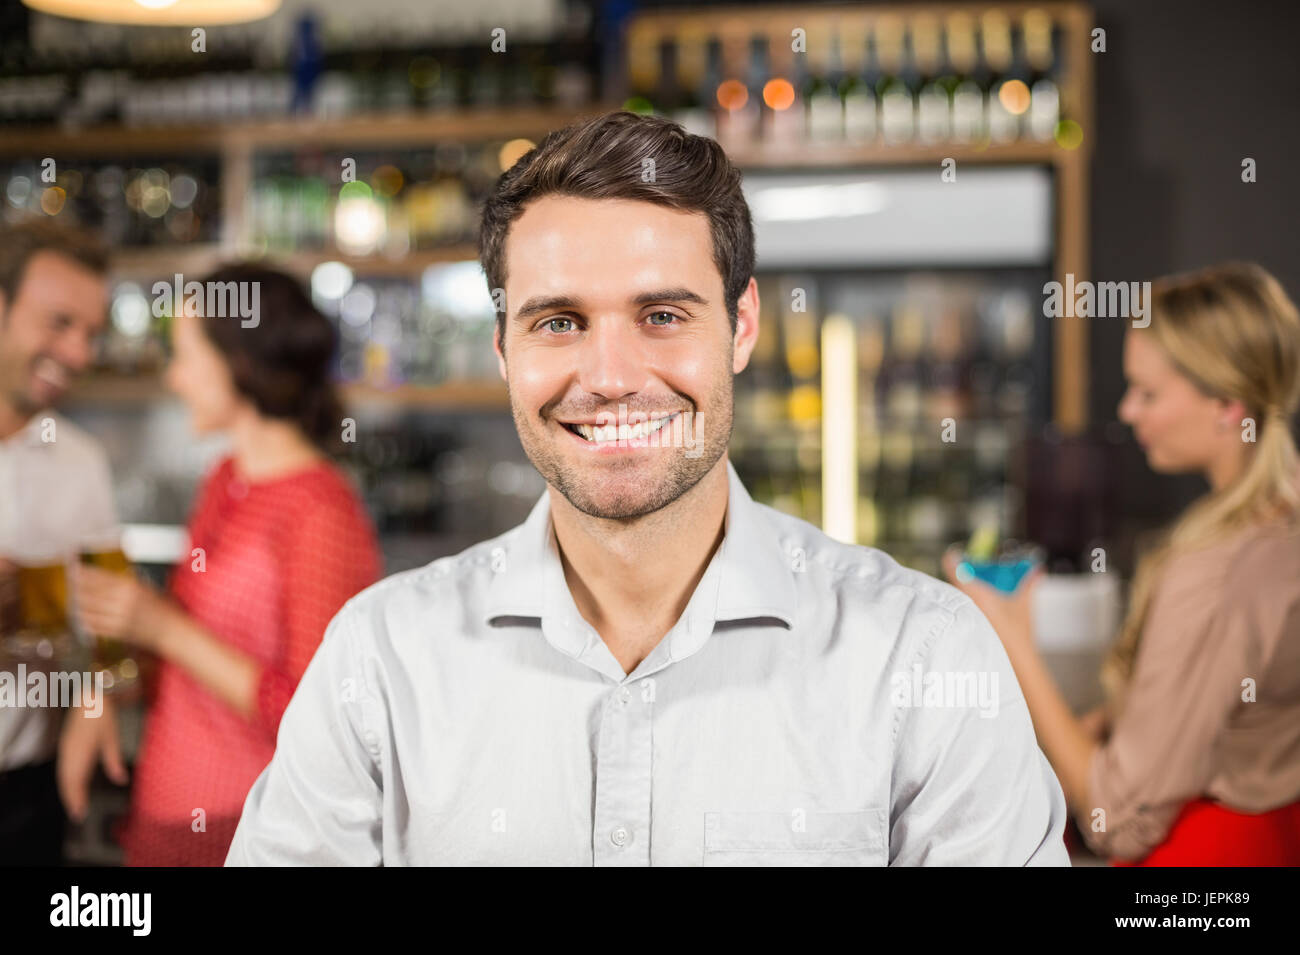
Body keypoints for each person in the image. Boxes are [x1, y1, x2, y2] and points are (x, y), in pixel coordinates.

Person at [226, 111, 1068, 866]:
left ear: (741, 326)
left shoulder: (923, 656)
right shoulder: (379, 661)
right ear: (502, 351)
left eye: (663, 316)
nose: (611, 377)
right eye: (559, 322)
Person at [943, 262, 1300, 865]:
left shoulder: (1217, 572)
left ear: (1225, 402)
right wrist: (1118, 719)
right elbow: (1243, 707)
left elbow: (1115, 816)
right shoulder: (1278, 527)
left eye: (1149, 393)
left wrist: (1011, 642)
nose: (1129, 411)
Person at [71, 264, 382, 866]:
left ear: (239, 363)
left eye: (186, 355)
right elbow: (186, 667)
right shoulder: (225, 480)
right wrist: (105, 685)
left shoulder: (321, 510)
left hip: (244, 831)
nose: (175, 377)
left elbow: (315, 719)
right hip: (163, 821)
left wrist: (160, 625)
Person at [0, 220, 125, 866]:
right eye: (59, 323)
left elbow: (110, 633)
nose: (78, 353)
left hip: (25, 794)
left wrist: (96, 696)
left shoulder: (80, 462)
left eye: (91, 333)